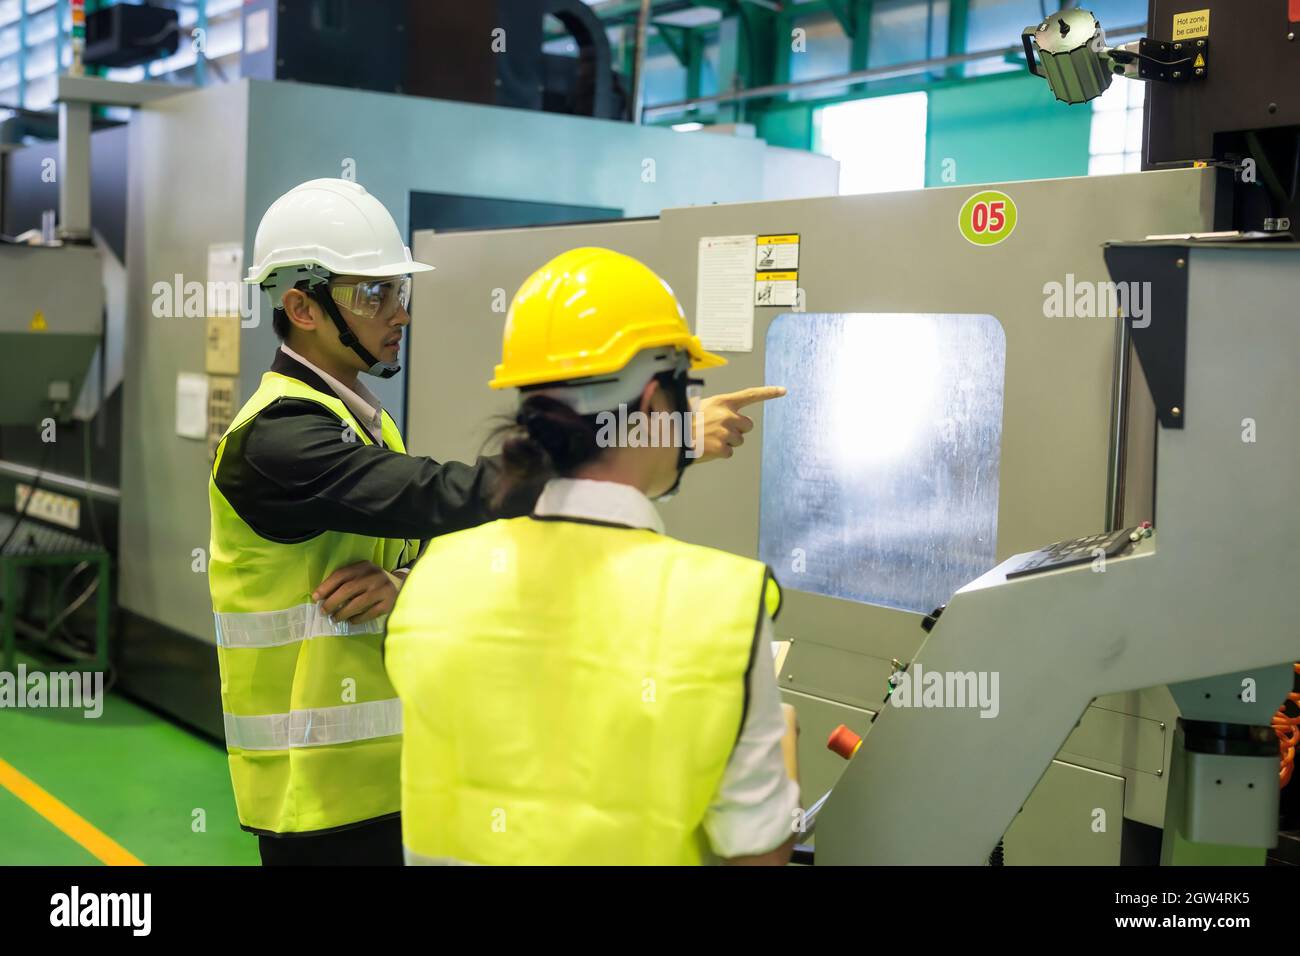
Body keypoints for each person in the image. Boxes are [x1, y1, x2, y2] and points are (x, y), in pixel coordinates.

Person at [207, 181, 784, 865]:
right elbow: (437, 495)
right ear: (301, 307)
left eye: (400, 292)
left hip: (386, 786)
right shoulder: (275, 439)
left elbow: (411, 526)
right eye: (373, 295)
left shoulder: (354, 416)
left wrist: (400, 582)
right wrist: (656, 436)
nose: (399, 314)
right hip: (314, 797)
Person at [385, 247, 801, 865]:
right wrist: (782, 752)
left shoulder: (435, 576)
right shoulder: (721, 606)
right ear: (659, 402)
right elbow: (757, 854)